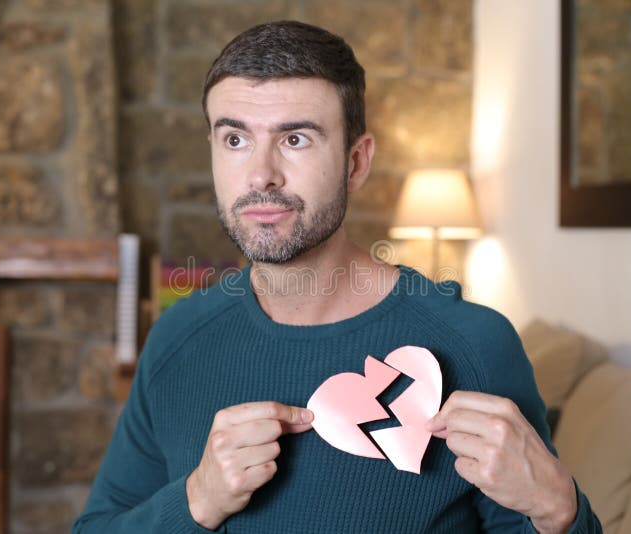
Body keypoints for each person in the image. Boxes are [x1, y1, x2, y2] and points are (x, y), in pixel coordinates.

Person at [73, 21, 602, 533]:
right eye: (235, 140)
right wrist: (196, 501)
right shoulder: (175, 339)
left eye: (295, 139)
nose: (261, 174)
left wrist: (560, 510)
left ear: (356, 162)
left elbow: (541, 517)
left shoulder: (476, 345)